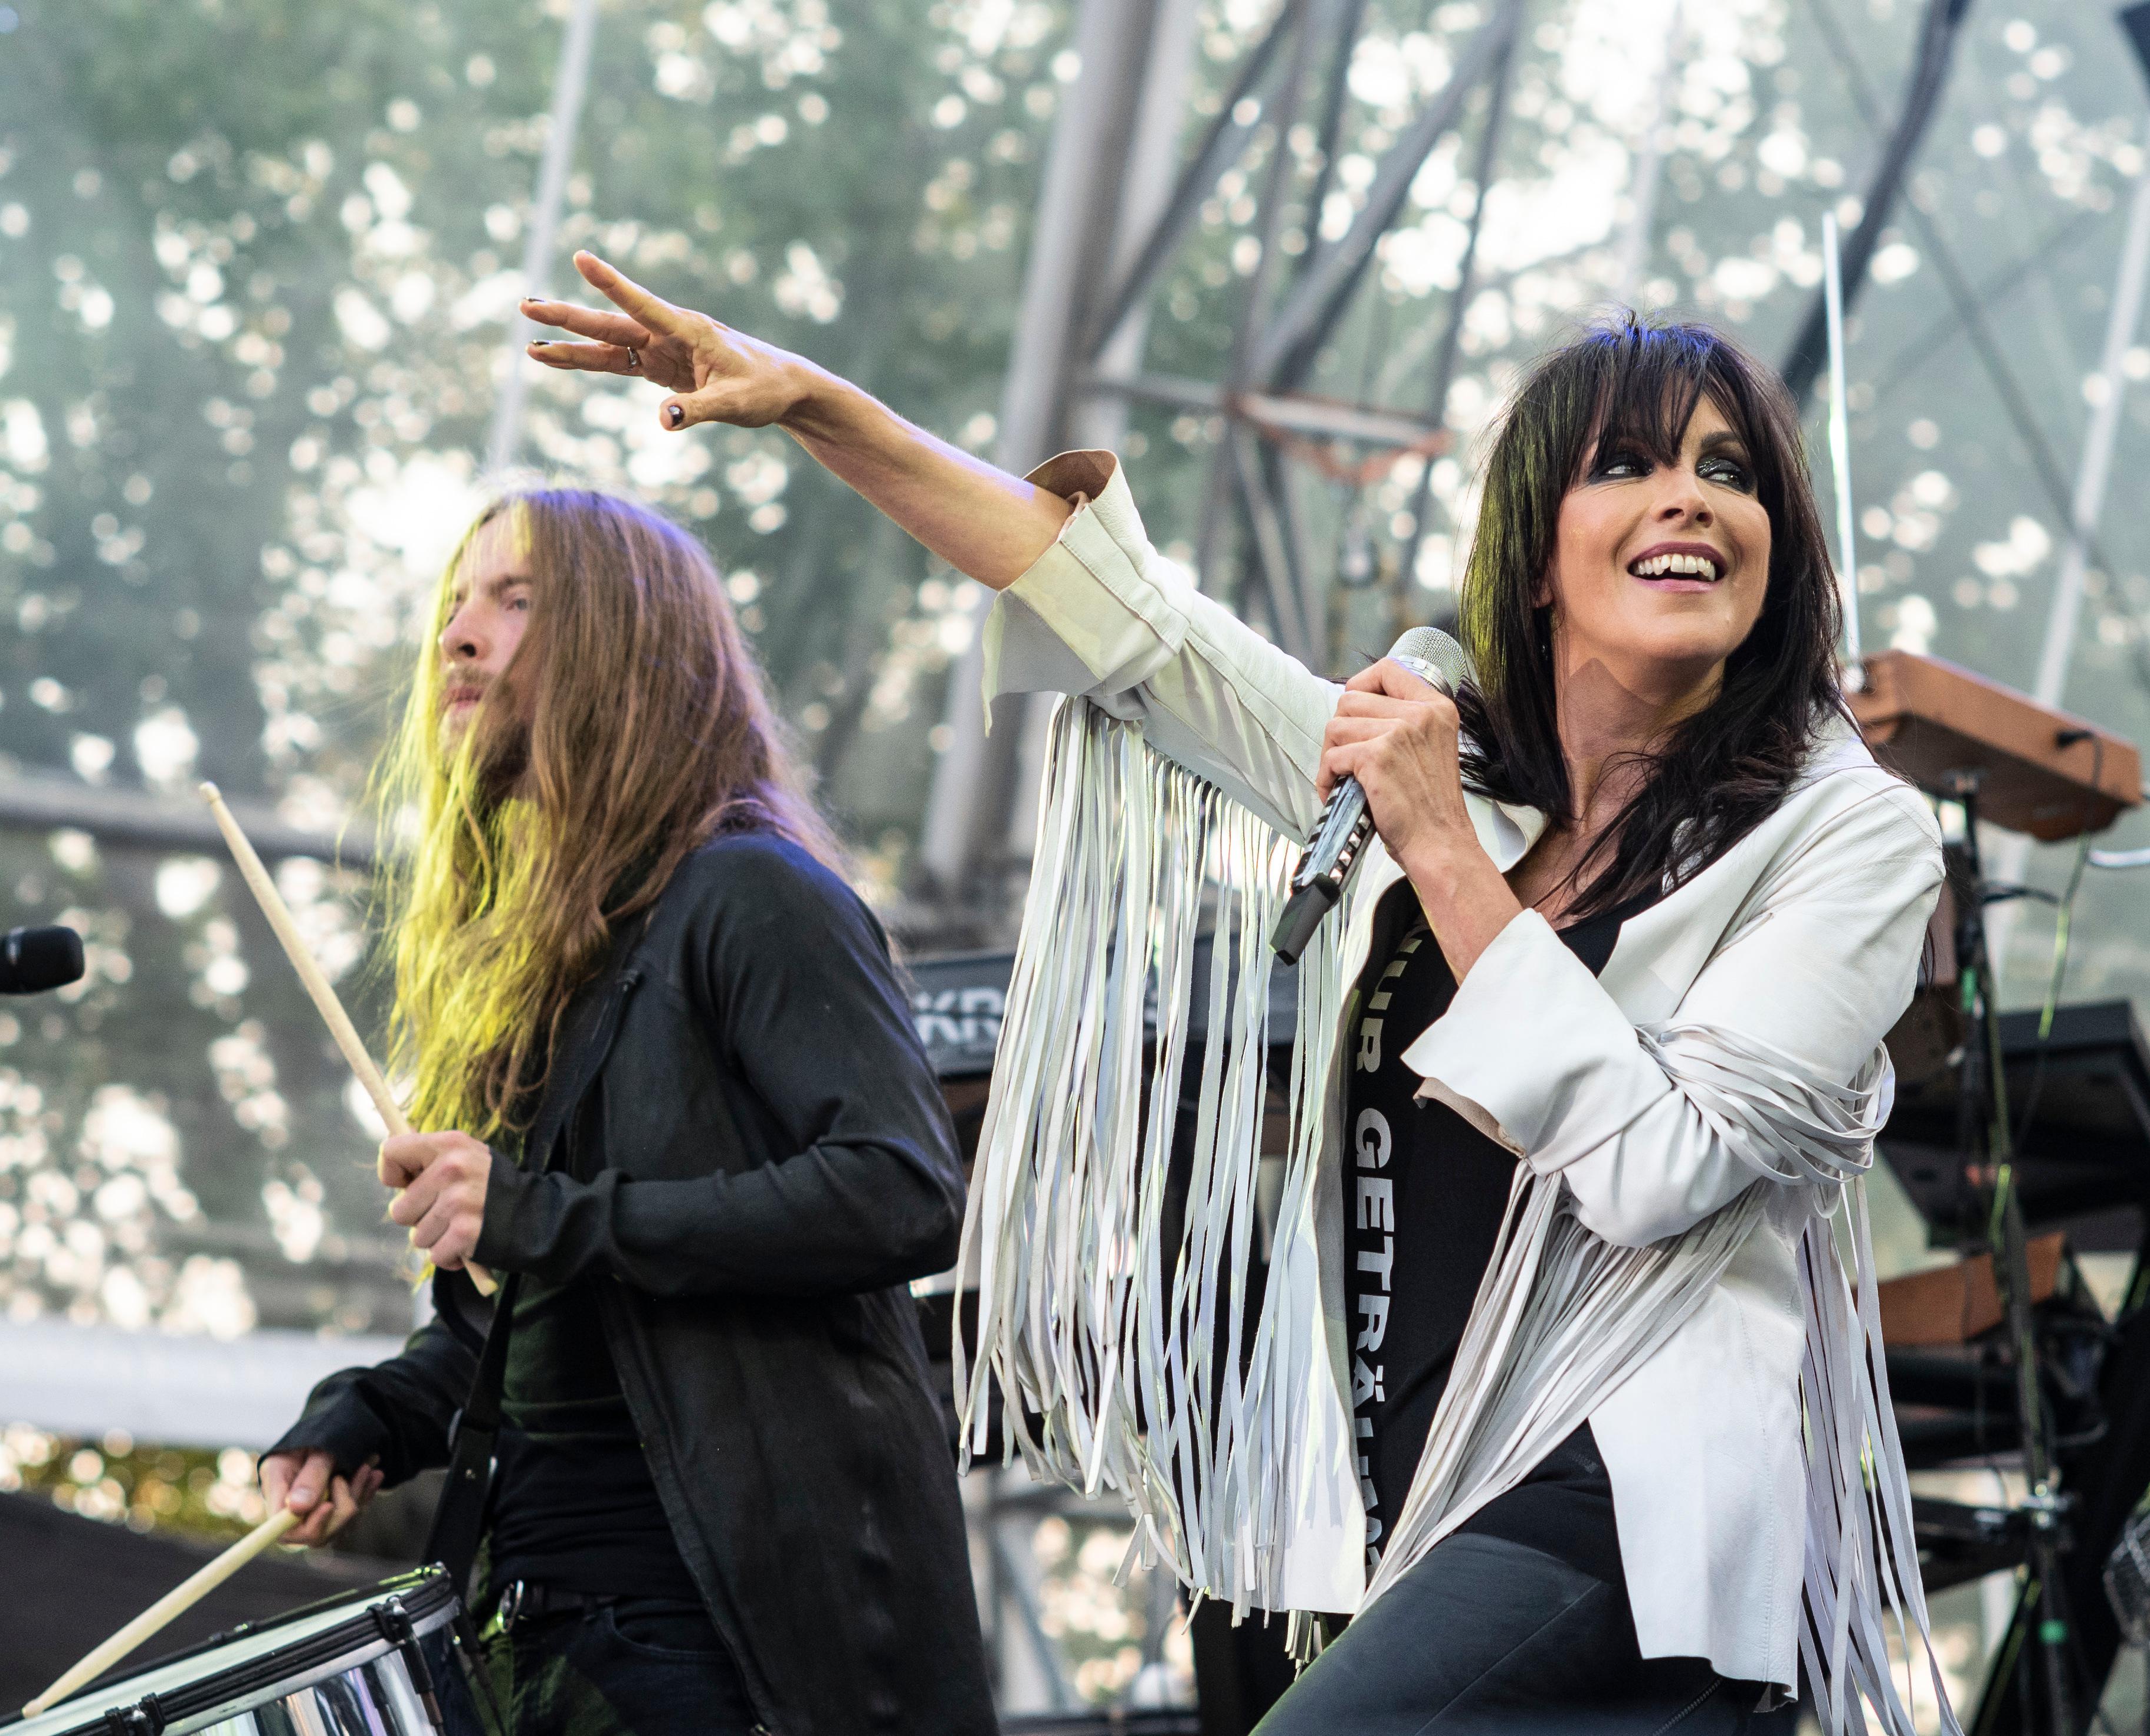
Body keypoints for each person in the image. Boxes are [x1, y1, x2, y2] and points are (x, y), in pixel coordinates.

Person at [525, 256, 1951, 1735]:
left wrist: (1441, 852)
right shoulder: (1446, 774)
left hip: (1629, 1512)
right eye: (1628, 465)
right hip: (1417, 1504)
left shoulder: (1843, 835)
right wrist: (818, 405)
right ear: (1535, 555)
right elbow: (1126, 619)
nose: (1690, 497)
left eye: (1728, 471)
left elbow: (1662, 1168)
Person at [259, 484, 995, 1736]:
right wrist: (376, 1410)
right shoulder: (552, 972)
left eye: (514, 597)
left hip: (717, 1638)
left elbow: (902, 1189)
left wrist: (540, 1210)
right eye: (453, 602)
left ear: (620, 642)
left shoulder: (750, 893)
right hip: (545, 1621)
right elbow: (572, 1309)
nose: (456, 634)